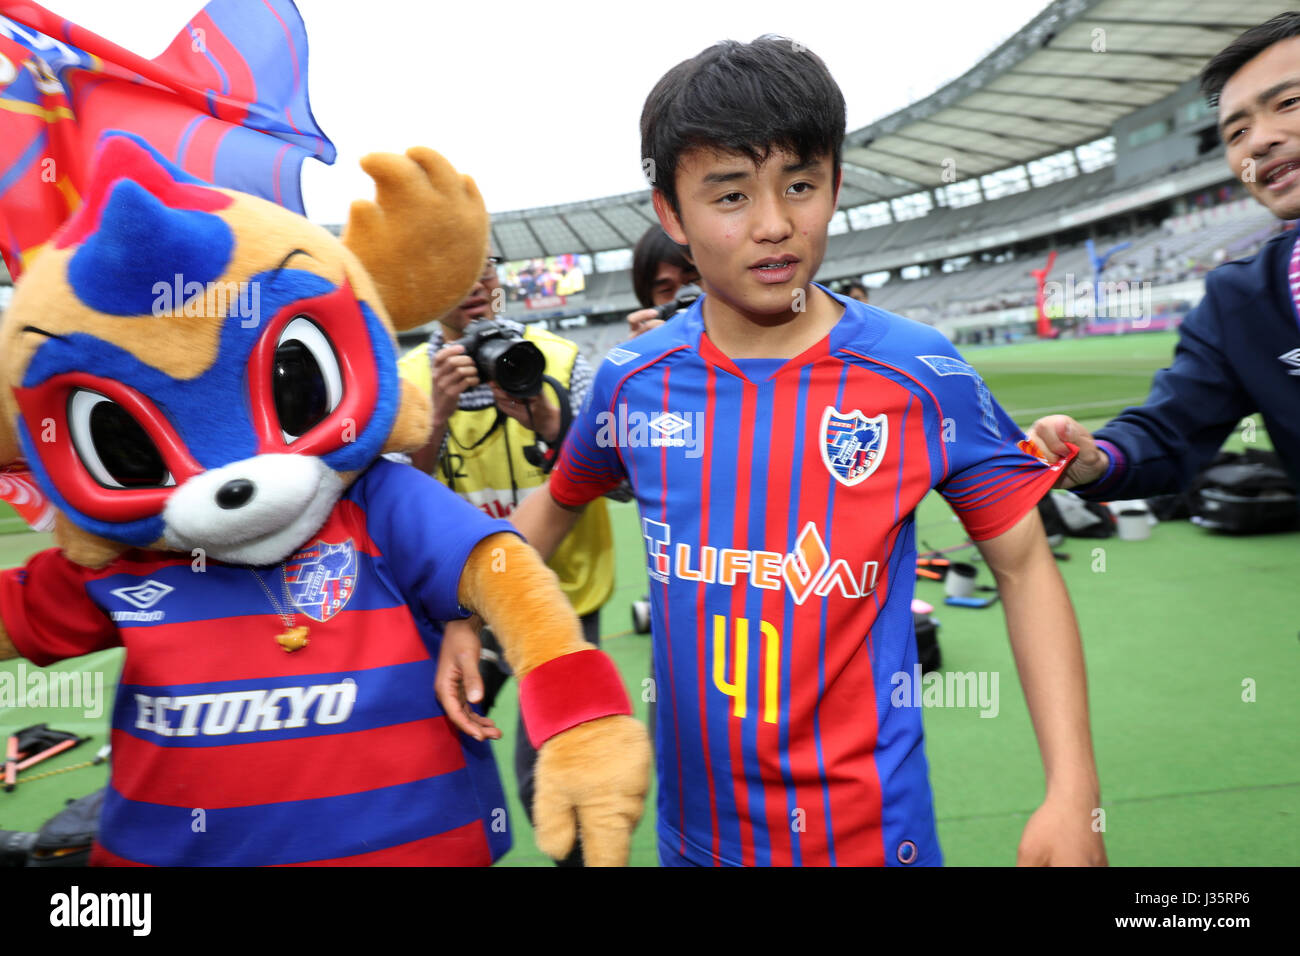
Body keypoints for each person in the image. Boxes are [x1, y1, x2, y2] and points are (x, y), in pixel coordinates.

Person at [495, 36, 1106, 866]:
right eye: (732, 194)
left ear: (835, 187)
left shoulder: (919, 374)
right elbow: (555, 508)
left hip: (869, 835)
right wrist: (466, 616)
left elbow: (1026, 567)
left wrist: (1072, 794)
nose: (775, 224)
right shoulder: (632, 382)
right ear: (671, 214)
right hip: (691, 839)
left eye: (801, 185)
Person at [1027, 12, 1300, 496]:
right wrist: (1097, 460)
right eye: (1236, 133)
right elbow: (1169, 430)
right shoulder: (1238, 298)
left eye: (1289, 102)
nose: (1259, 141)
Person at [400, 253, 615, 867]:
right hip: (457, 606)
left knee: (553, 771)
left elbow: (622, 483)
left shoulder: (563, 361)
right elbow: (385, 500)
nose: (475, 285)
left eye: (485, 269)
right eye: (456, 273)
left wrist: (553, 425)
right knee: (432, 757)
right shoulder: (405, 380)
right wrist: (435, 416)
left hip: (562, 600)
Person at [626, 225, 701, 337]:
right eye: (666, 290)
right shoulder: (652, 348)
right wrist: (643, 351)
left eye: (693, 280)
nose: (683, 296)